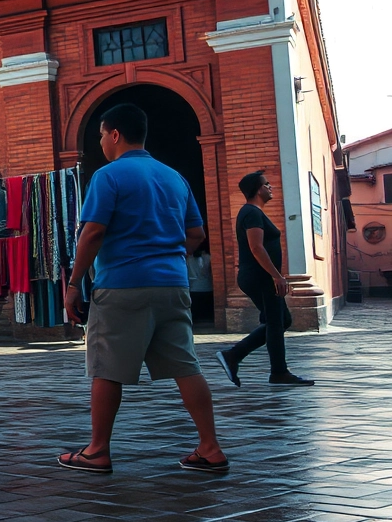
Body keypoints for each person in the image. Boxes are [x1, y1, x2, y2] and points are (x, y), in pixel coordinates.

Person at [61, 103, 226, 474]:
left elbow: (93, 232)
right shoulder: (174, 177)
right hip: (173, 285)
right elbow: (196, 233)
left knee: (106, 368)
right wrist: (166, 254)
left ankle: (97, 451)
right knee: (186, 366)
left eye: (101, 135)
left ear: (115, 134)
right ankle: (210, 447)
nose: (101, 142)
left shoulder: (108, 176)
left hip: (122, 285)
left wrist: (74, 283)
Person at [218, 171, 314, 387]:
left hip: (260, 276)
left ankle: (234, 355)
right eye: (266, 184)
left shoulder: (254, 212)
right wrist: (277, 276)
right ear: (257, 189)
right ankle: (278, 372)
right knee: (275, 322)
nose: (271, 187)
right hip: (260, 277)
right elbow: (256, 247)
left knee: (281, 320)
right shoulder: (251, 213)